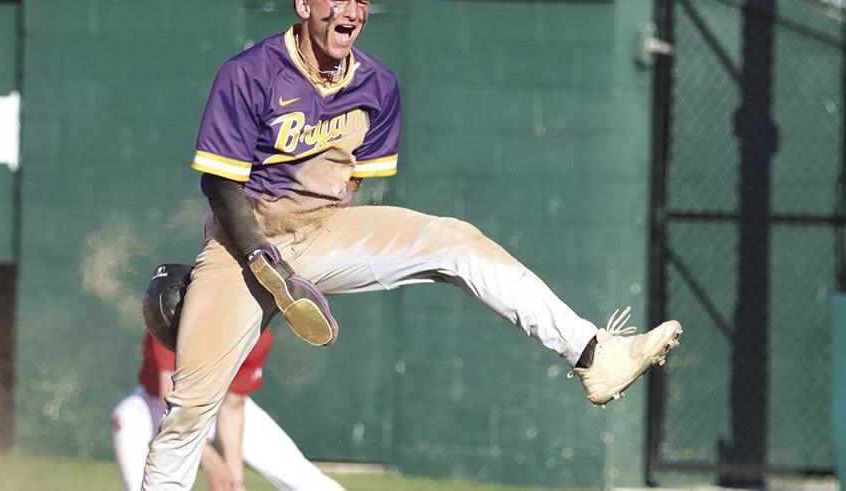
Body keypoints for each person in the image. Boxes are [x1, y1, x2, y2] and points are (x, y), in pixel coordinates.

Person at [143, 0, 683, 488]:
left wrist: (319, 255)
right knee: (190, 410)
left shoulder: (377, 86)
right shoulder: (250, 73)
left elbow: (352, 186)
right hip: (243, 244)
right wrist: (261, 258)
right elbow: (219, 182)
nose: (352, 11)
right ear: (304, 4)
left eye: (362, 1)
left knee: (455, 241)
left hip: (322, 230)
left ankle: (594, 353)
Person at [113, 329, 344, 491]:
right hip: (157, 407)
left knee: (297, 472)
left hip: (218, 403)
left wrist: (235, 480)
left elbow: (232, 408)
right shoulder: (173, 313)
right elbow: (171, 403)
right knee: (125, 419)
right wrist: (214, 465)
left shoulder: (256, 331)